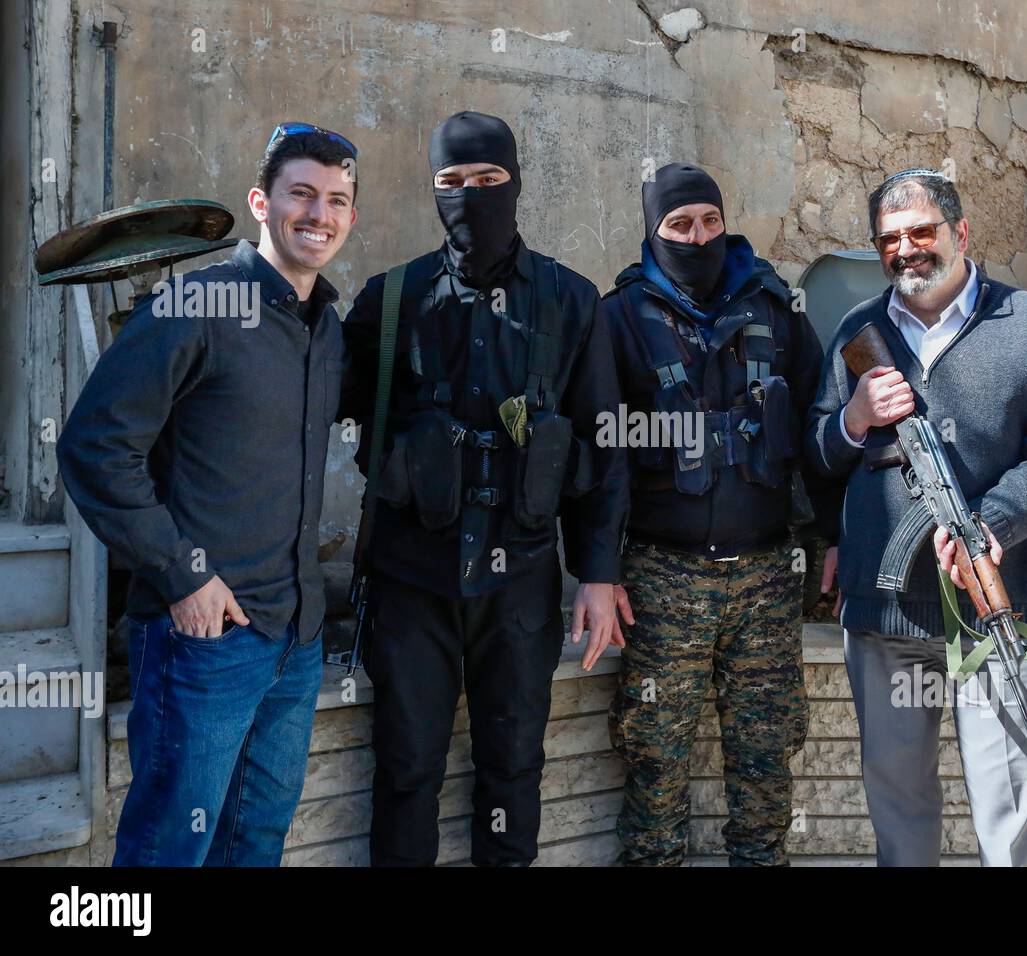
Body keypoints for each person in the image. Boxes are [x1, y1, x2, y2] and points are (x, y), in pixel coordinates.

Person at [57, 124, 359, 865]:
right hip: (206, 640)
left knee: (254, 840)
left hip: (294, 637)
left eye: (338, 200)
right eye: (302, 194)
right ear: (261, 202)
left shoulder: (327, 328)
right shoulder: (197, 304)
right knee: (168, 851)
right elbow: (96, 444)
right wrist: (181, 574)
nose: (320, 214)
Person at [338, 111, 629, 867]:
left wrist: (597, 572)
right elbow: (311, 404)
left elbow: (601, 446)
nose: (470, 196)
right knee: (406, 769)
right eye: (452, 183)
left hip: (523, 581)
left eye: (488, 181)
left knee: (512, 766)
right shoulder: (388, 302)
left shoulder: (571, 301)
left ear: (516, 184)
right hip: (411, 577)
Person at [807, 168, 1027, 866]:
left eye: (921, 231)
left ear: (960, 232)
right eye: (889, 238)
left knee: (1012, 826)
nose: (906, 249)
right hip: (885, 619)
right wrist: (854, 419)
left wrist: (989, 526)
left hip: (1001, 611)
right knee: (899, 823)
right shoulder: (857, 332)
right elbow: (816, 456)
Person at [601, 163, 833, 865]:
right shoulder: (619, 317)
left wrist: (833, 538)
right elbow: (600, 453)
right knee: (654, 752)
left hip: (766, 573)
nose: (697, 236)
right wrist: (598, 569)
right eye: (679, 225)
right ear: (654, 230)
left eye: (709, 220)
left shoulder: (776, 306)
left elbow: (821, 428)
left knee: (767, 755)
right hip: (661, 576)